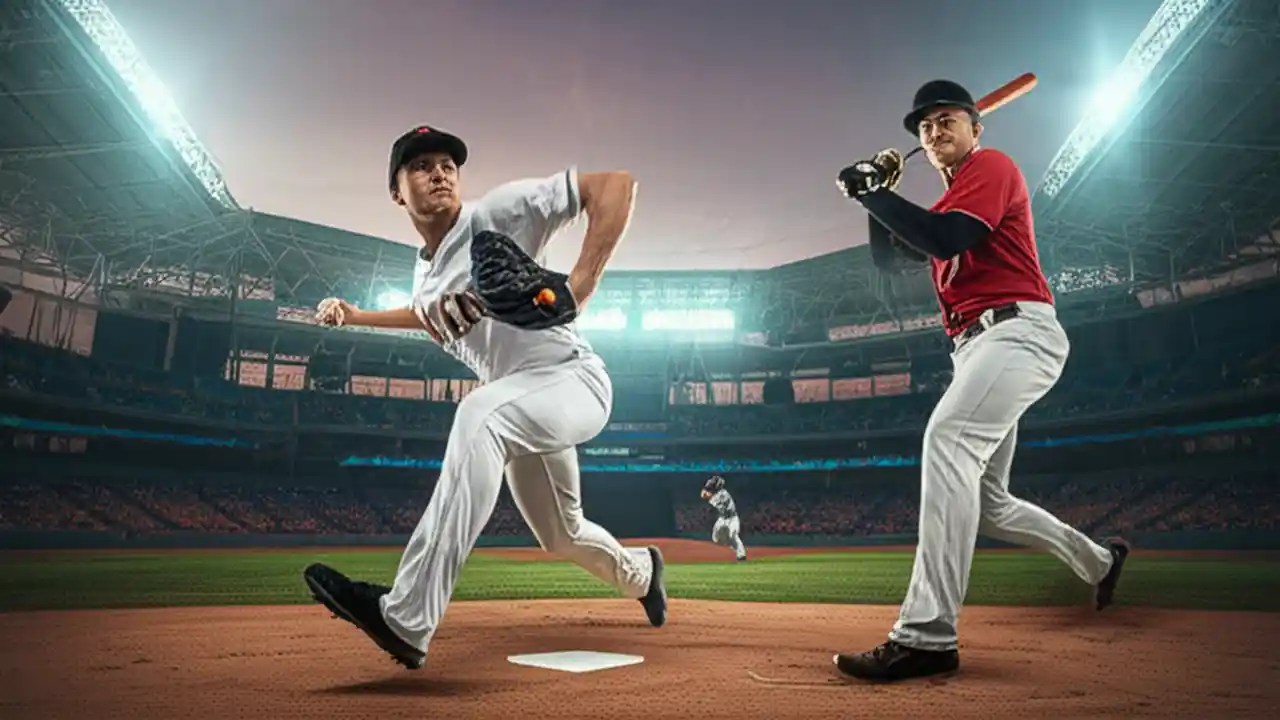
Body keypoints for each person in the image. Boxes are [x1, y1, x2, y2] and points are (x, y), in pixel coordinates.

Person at [303, 125, 666, 670]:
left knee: (478, 413)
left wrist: (581, 283)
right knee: (561, 533)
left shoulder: (495, 214)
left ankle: (406, 616)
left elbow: (615, 184)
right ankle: (642, 573)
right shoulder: (425, 282)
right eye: (421, 165)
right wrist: (357, 316)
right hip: (523, 401)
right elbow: (425, 315)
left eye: (448, 163)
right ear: (398, 193)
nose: (440, 171)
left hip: (572, 379)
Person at [832, 80, 1130, 682]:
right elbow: (894, 258)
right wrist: (875, 195)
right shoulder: (947, 205)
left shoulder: (991, 167)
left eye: (947, 120)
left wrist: (873, 190)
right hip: (977, 350)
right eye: (925, 127)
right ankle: (1101, 562)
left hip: (1017, 333)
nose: (935, 132)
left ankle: (927, 636)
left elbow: (944, 240)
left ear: (975, 128)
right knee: (989, 503)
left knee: (946, 441)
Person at [701, 475, 747, 561]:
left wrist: (706, 492)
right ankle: (733, 546)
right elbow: (704, 495)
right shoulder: (716, 494)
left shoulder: (723, 494)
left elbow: (706, 496)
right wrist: (706, 490)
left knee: (733, 534)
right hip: (722, 519)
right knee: (716, 539)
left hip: (732, 518)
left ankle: (741, 555)